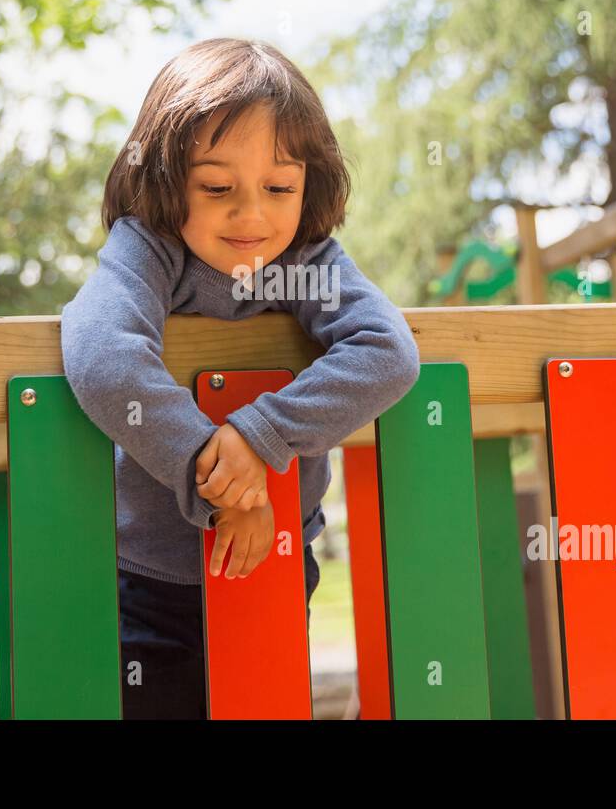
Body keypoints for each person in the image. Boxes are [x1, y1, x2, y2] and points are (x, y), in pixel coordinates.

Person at [60, 37, 421, 719]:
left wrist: (258, 436)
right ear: (166, 181)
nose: (251, 214)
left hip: (277, 563)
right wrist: (213, 469)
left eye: (279, 187)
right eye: (218, 187)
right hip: (147, 581)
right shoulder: (148, 251)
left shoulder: (307, 259)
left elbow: (388, 352)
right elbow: (102, 356)